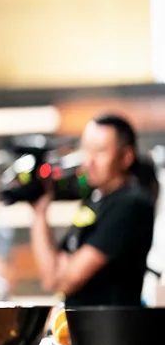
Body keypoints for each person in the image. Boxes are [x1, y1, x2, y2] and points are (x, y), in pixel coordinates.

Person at [30, 114, 155, 307]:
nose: (89, 160)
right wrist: (39, 211)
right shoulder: (94, 201)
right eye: (86, 150)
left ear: (126, 157)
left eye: (100, 151)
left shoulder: (129, 204)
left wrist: (62, 275)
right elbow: (51, 277)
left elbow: (67, 281)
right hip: (83, 330)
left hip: (111, 331)